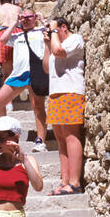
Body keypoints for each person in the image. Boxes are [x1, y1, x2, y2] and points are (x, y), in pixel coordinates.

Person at [0, 9, 48, 152]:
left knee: (38, 106)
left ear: (34, 17)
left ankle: (41, 140)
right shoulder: (17, 35)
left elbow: (52, 31)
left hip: (36, 73)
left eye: (28, 17)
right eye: (22, 18)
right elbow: (2, 39)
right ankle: (2, 136)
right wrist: (13, 23)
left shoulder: (41, 31)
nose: (25, 20)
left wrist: (42, 20)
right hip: (18, 74)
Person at [43, 16, 85, 195]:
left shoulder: (75, 39)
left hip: (71, 92)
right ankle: (65, 180)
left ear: (63, 27)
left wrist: (53, 32)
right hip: (56, 93)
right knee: (60, 137)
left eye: (53, 29)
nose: (50, 32)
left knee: (70, 135)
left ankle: (75, 182)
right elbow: (46, 67)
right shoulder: (53, 44)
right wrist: (47, 44)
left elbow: (60, 52)